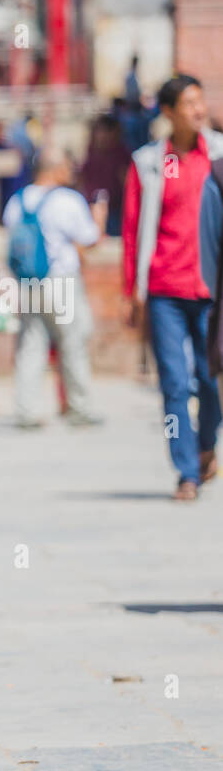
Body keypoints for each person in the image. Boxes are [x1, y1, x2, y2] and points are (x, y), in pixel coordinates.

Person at [123, 74, 223, 500]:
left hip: (211, 287)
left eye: (201, 102)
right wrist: (134, 288)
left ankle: (205, 446)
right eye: (188, 103)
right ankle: (184, 471)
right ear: (168, 112)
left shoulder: (217, 155)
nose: (197, 111)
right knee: (174, 384)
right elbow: (133, 229)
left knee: (209, 378)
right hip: (164, 287)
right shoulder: (152, 162)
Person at [5, 147, 106, 429]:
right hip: (61, 279)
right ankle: (80, 407)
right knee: (73, 342)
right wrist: (99, 217)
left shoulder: (18, 200)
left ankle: (26, 410)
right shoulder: (67, 200)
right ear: (54, 168)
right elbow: (90, 238)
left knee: (31, 343)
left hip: (28, 281)